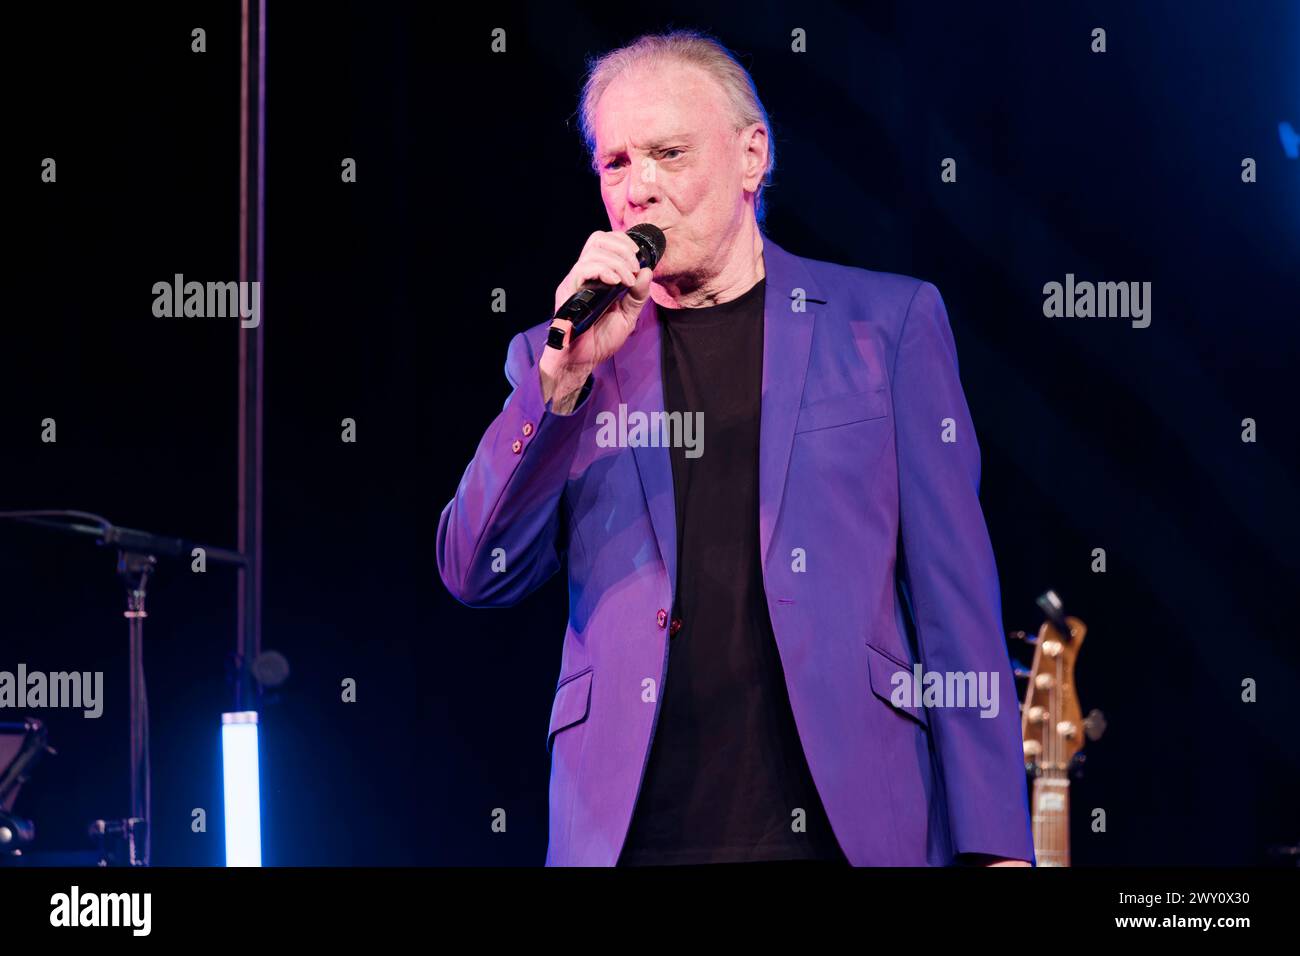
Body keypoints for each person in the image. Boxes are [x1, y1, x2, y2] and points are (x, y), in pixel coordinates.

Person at [437, 29, 1033, 867]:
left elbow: (956, 603)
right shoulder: (566, 357)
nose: (639, 188)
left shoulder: (885, 326)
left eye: (668, 153)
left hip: (846, 823)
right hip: (632, 831)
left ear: (752, 155)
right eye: (615, 163)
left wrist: (995, 847)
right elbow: (475, 570)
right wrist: (560, 387)